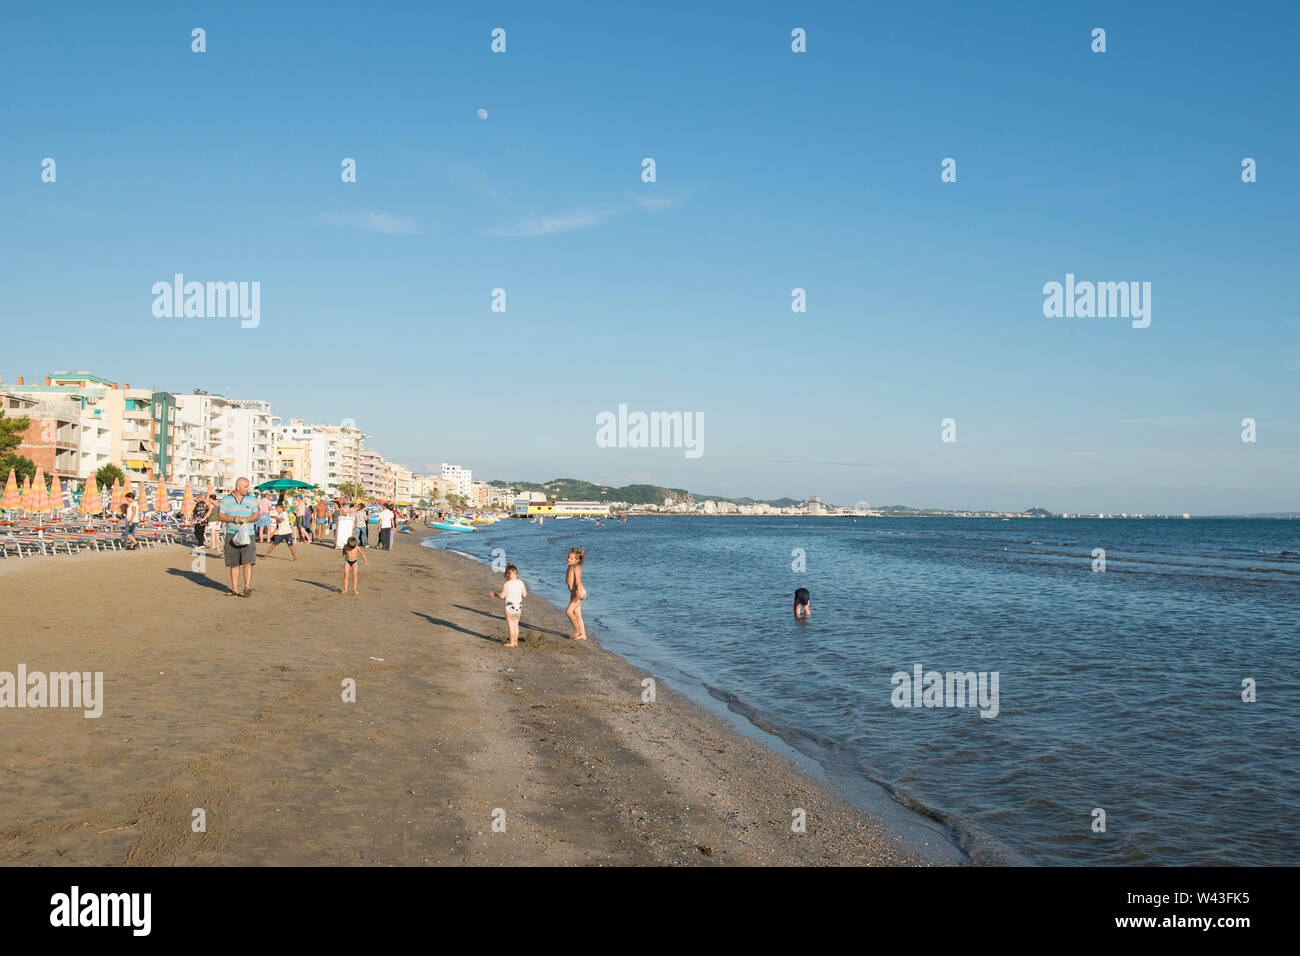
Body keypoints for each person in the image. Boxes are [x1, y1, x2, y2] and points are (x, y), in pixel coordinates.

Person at [216, 476, 259, 597]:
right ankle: (234, 588)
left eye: (248, 486)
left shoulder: (252, 500)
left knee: (248, 562)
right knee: (233, 563)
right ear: (237, 487)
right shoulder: (226, 500)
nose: (248, 489)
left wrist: (248, 519)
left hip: (248, 534)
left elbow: (256, 515)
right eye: (245, 487)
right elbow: (220, 516)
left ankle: (247, 587)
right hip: (231, 534)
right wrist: (233, 519)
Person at [491, 563, 527, 647]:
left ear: (507, 575)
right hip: (519, 606)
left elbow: (502, 596)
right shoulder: (521, 583)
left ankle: (511, 642)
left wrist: (496, 594)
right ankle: (515, 642)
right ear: (517, 573)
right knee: (516, 625)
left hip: (510, 607)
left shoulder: (507, 584)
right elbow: (524, 595)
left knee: (511, 625)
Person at [565, 548, 586, 640]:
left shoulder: (576, 567)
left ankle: (577, 629)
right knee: (577, 614)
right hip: (574, 593)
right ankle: (583, 635)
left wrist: (578, 592)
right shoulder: (570, 567)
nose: (569, 559)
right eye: (568, 557)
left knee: (568, 611)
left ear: (577, 560)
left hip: (579, 591)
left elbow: (578, 581)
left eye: (571, 558)